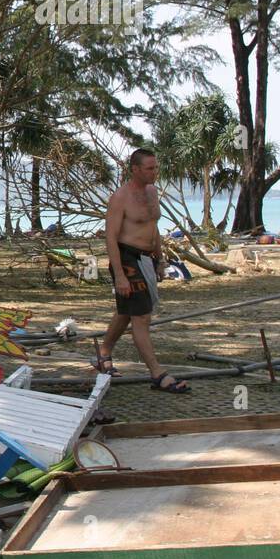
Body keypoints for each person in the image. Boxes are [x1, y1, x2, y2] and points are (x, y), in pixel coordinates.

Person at [94, 148, 189, 393]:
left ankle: (103, 353)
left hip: (146, 258)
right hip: (126, 258)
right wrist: (120, 275)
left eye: (156, 167)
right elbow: (111, 239)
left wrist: (160, 259)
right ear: (134, 169)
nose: (154, 172)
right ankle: (158, 374)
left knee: (127, 311)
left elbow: (153, 228)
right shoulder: (120, 197)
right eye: (149, 168)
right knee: (142, 316)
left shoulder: (153, 192)